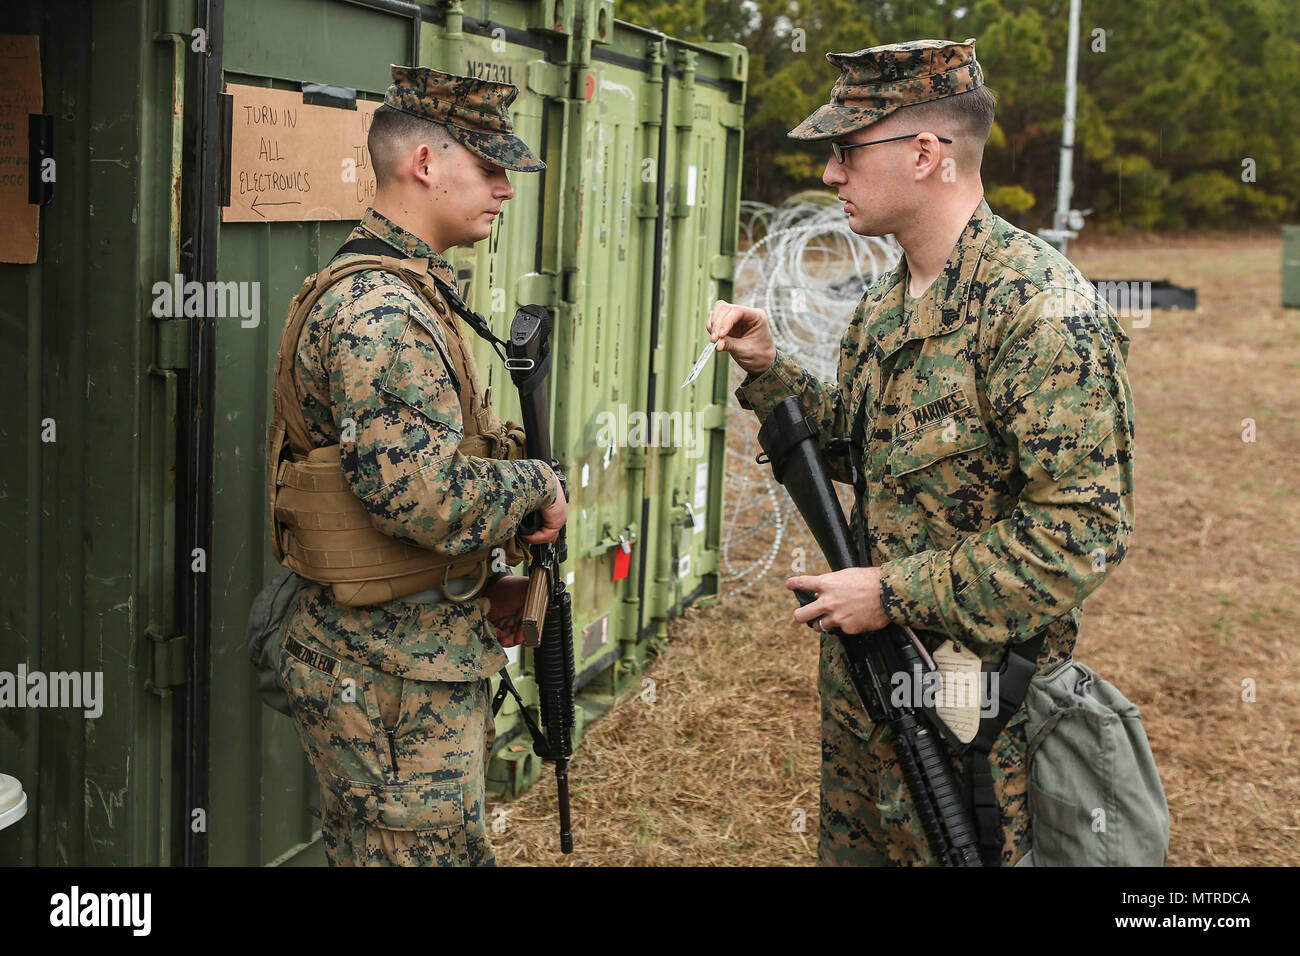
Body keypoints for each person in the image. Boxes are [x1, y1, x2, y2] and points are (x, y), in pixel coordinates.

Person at [709, 38, 1134, 865]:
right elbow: (871, 449)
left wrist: (894, 592)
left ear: (927, 154)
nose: (831, 174)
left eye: (845, 150)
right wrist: (771, 374)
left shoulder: (1039, 311)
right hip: (872, 694)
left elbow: (1082, 533)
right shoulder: (888, 300)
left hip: (978, 714)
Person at [275, 65, 567, 866]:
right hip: (390, 673)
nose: (507, 189)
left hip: (408, 652)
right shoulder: (383, 311)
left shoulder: (406, 291)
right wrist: (540, 485)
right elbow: (420, 497)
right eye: (491, 167)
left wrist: (476, 580)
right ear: (427, 165)